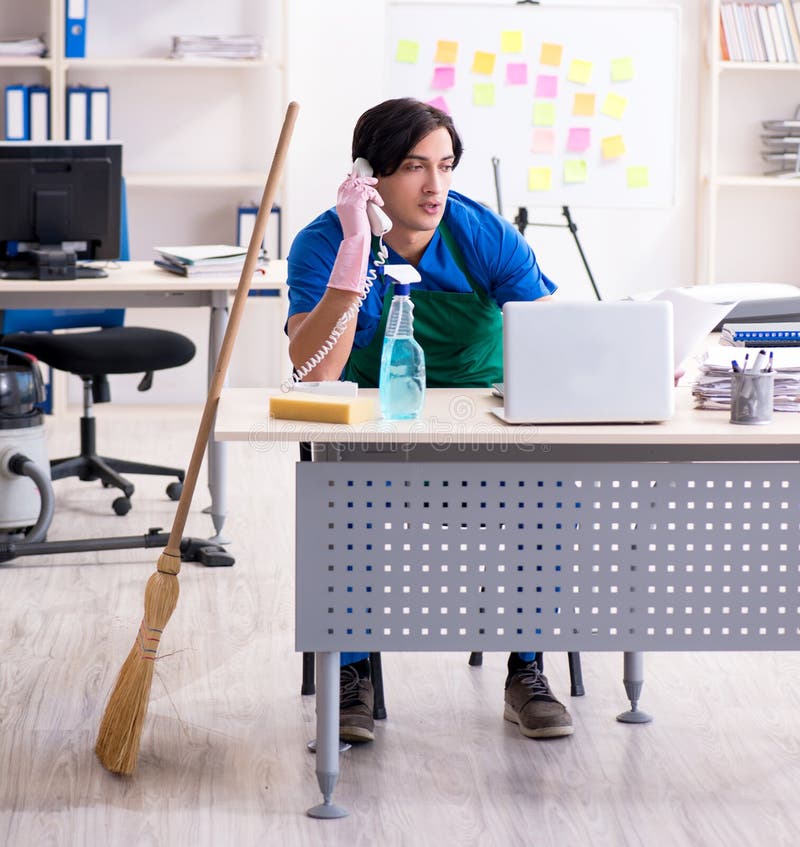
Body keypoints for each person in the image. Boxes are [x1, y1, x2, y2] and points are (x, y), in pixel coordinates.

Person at [286, 97, 571, 744]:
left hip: (485, 428)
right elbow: (317, 372)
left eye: (444, 165)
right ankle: (350, 675)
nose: (434, 185)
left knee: (551, 493)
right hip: (374, 436)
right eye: (415, 166)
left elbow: (554, 336)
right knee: (337, 498)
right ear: (371, 171)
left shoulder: (484, 235)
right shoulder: (325, 242)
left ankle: (527, 667)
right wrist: (358, 248)